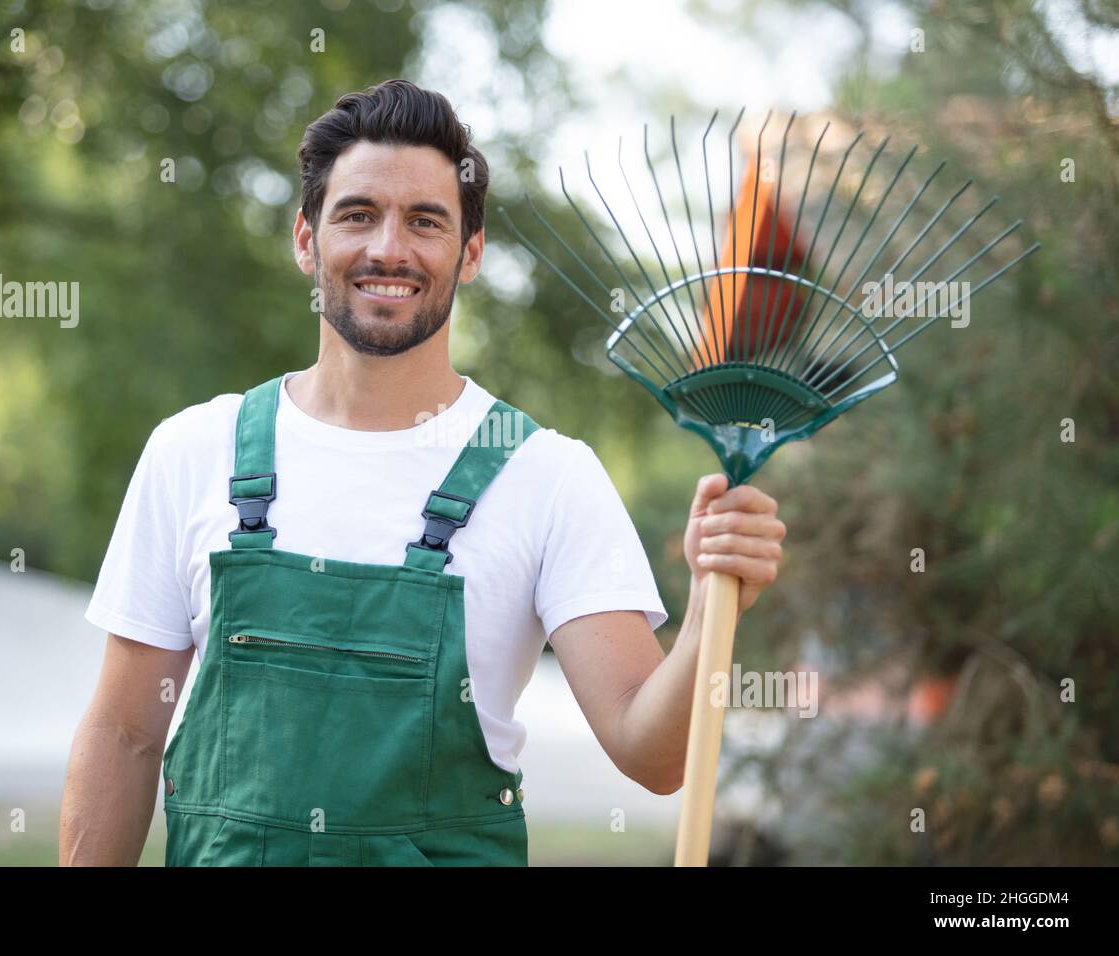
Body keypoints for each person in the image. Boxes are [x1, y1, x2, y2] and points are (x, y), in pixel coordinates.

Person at [58, 79, 785, 867]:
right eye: (358, 214)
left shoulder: (547, 475)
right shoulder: (194, 450)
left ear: (469, 254)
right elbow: (126, 735)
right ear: (307, 238)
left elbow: (655, 757)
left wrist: (716, 606)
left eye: (425, 222)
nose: (388, 250)